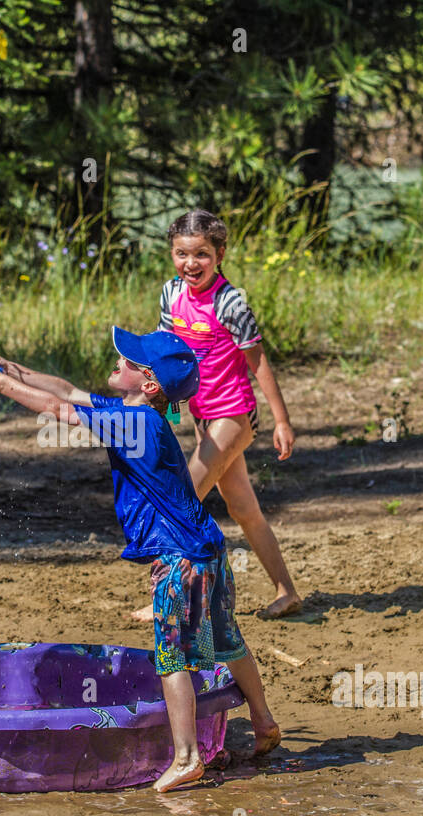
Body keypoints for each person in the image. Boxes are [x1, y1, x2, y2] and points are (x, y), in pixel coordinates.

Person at [0, 329, 281, 791]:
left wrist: (4, 388)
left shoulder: (136, 425)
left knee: (171, 660)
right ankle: (264, 718)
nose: (118, 360)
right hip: (206, 547)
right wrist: (12, 369)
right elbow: (67, 390)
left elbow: (59, 409)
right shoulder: (135, 413)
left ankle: (188, 756)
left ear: (149, 384)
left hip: (179, 561)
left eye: (129, 361)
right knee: (228, 640)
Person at [131, 209, 303, 622]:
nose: (191, 264)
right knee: (243, 508)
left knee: (182, 495)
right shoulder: (171, 294)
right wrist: (158, 404)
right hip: (202, 415)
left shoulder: (230, 301)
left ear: (220, 253)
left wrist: (282, 421)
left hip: (235, 415)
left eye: (202, 255)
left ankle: (166, 594)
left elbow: (258, 361)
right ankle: (287, 591)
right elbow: (167, 355)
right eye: (181, 254)